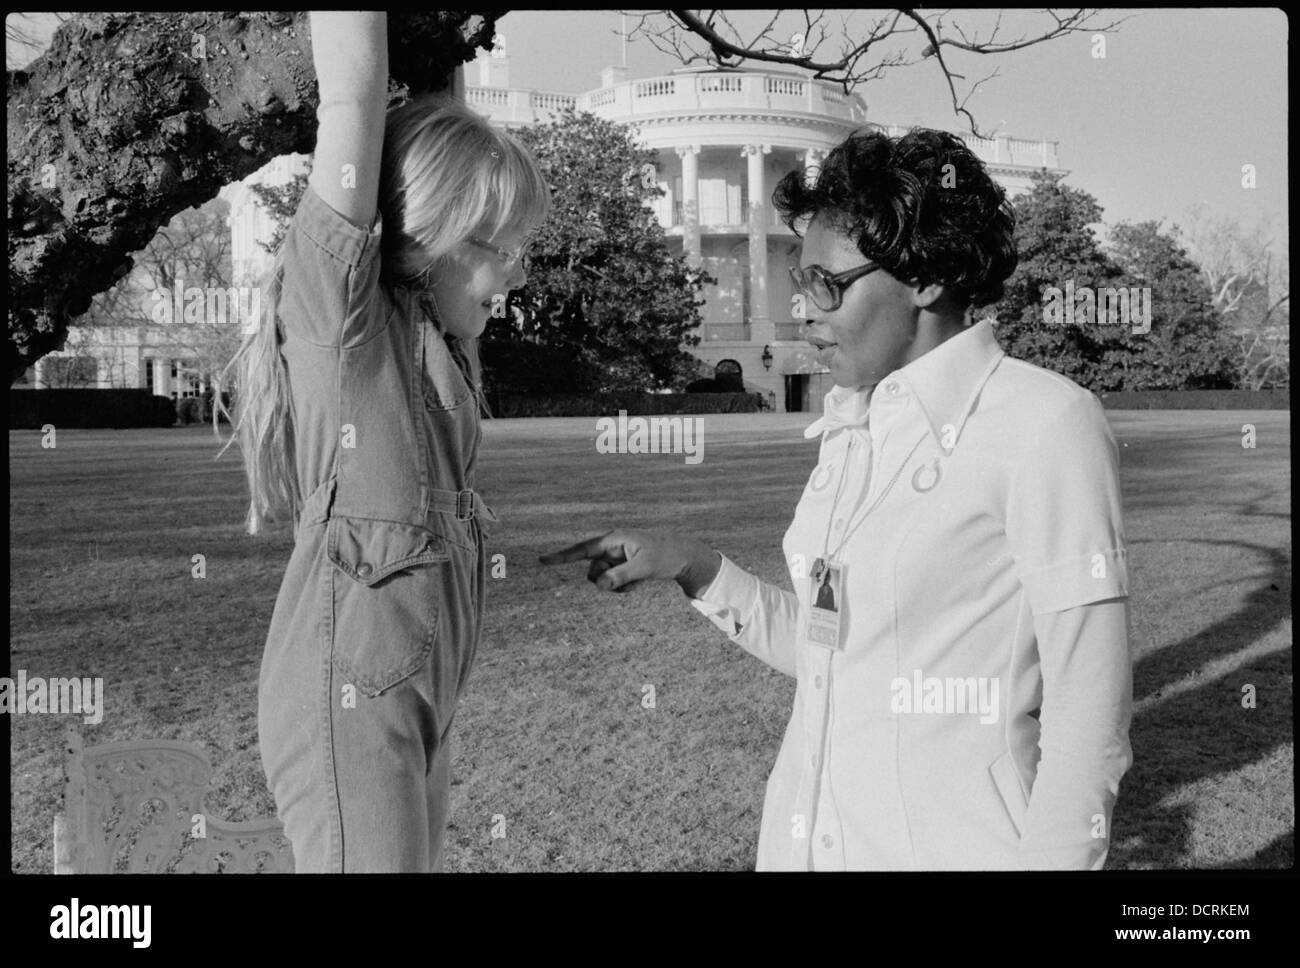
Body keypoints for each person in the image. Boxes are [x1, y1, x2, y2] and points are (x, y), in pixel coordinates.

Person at [542, 127, 1133, 871]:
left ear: (925, 277)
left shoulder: (1045, 424)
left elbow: (1090, 717)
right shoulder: (852, 425)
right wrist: (693, 565)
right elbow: (835, 655)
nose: (805, 311)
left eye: (827, 284)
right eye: (800, 284)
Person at [216, 11, 550, 872]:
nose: (515, 271)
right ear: (433, 234)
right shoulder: (348, 322)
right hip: (349, 707)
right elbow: (357, 92)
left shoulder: (439, 341)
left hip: (417, 703)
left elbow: (436, 108)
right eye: (498, 246)